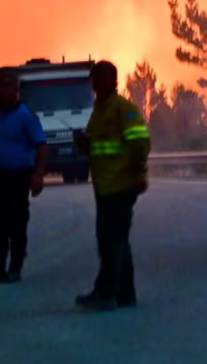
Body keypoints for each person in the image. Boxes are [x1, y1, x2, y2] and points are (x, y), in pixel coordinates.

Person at [74, 60, 151, 311]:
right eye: (94, 79)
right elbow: (95, 146)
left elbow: (140, 143)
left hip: (121, 185)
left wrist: (139, 173)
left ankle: (105, 294)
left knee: (110, 241)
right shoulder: (99, 111)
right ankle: (125, 294)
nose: (96, 84)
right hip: (104, 187)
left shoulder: (123, 110)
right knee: (118, 241)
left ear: (114, 82)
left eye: (102, 79)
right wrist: (82, 143)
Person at [0, 68, 49, 284]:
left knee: (17, 222)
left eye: (7, 86)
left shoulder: (26, 116)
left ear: (16, 90)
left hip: (18, 177)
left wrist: (38, 175)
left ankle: (15, 267)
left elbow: (41, 146)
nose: (1, 91)